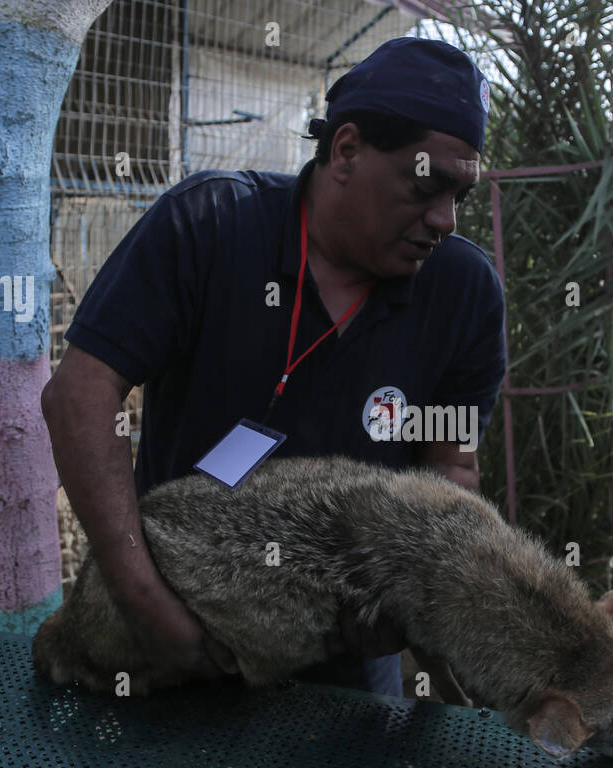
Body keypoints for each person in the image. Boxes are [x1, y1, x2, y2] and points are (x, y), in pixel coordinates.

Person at [41, 37, 506, 697]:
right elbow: (80, 393)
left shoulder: (464, 293)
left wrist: (426, 631)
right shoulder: (209, 225)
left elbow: (450, 469)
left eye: (460, 193)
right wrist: (144, 600)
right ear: (346, 150)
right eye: (426, 184)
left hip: (344, 677)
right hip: (180, 633)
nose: (443, 218)